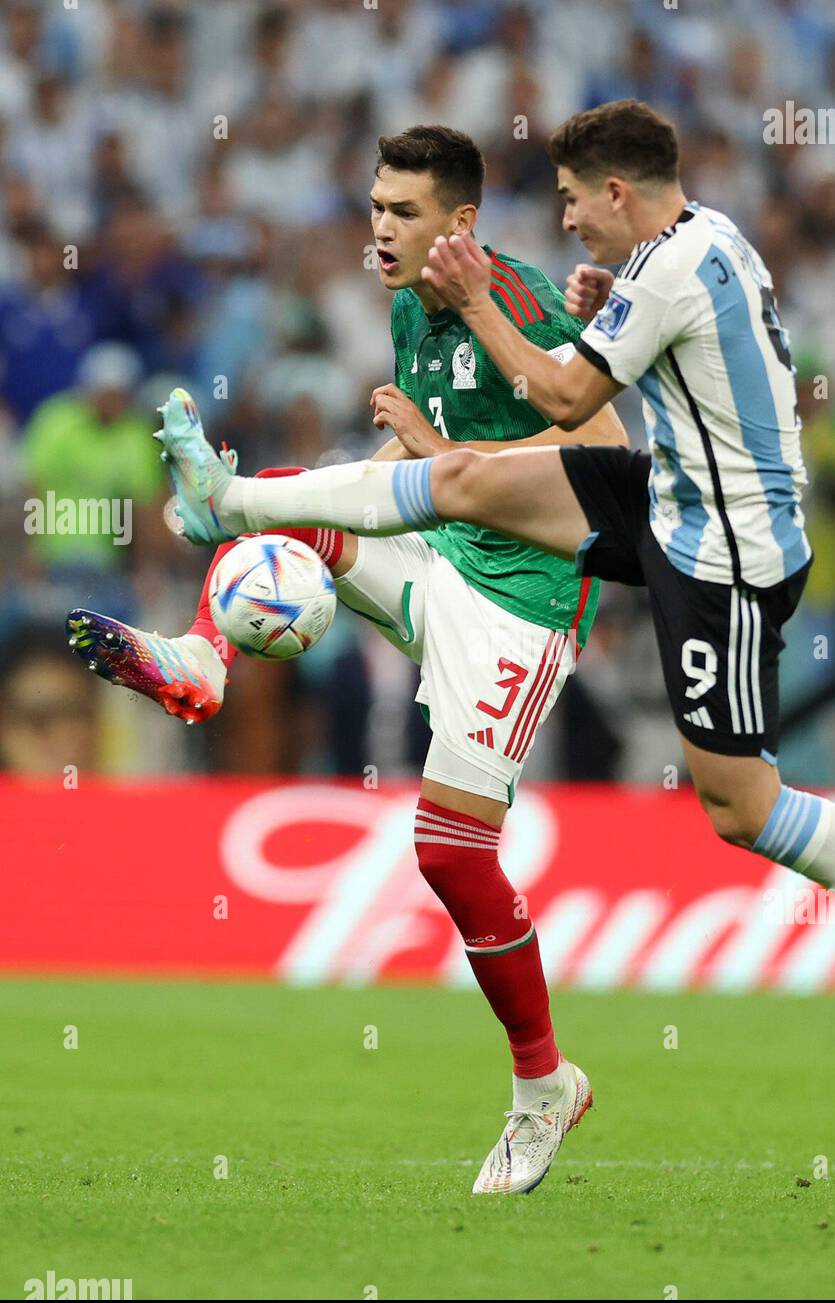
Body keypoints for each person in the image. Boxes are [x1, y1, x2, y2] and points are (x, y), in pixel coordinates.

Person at [157, 101, 835, 1045]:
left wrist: (482, 298)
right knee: (463, 478)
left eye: (571, 199)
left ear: (614, 190)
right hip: (669, 495)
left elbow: (566, 396)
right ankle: (228, 502)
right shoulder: (697, 242)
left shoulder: (668, 266)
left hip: (724, 552)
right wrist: (612, 316)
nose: (565, 219)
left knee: (739, 806)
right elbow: (685, 359)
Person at [68, 126, 628, 1196]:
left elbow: (604, 461)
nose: (381, 227)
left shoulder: (510, 301)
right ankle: (202, 655)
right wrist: (404, 460)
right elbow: (414, 466)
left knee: (451, 854)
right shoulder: (411, 303)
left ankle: (542, 1086)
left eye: (405, 211)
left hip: (524, 609)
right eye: (375, 205)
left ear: (460, 224)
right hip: (442, 557)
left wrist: (432, 454)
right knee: (304, 509)